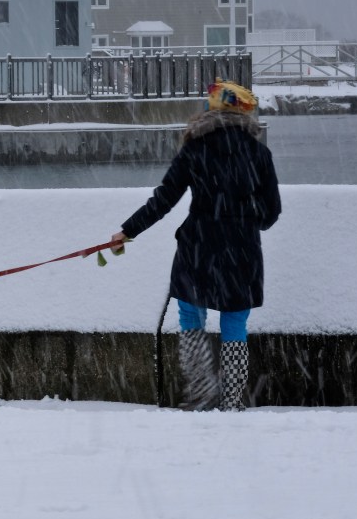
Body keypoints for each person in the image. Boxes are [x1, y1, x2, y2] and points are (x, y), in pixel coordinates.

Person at [112, 80, 281, 411]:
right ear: (244, 113)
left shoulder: (194, 149)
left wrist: (128, 231)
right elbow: (271, 212)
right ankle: (231, 401)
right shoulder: (258, 153)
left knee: (191, 315)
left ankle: (202, 395)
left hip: (198, 247)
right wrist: (245, 222)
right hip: (242, 250)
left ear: (211, 111)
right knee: (234, 320)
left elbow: (164, 200)